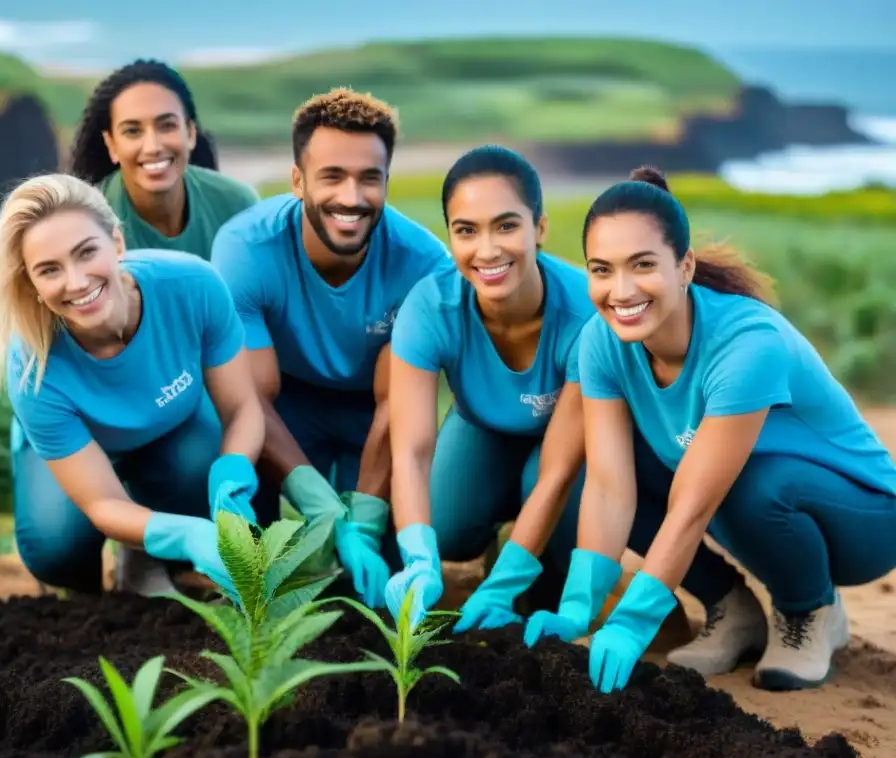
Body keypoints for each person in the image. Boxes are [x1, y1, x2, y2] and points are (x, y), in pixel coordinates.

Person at [524, 165, 896, 693]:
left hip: (865, 520)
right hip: (745, 507)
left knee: (754, 484)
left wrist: (635, 620)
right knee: (602, 466)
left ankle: (812, 612)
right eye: (601, 270)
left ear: (685, 267)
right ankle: (731, 608)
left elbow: (696, 504)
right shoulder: (601, 342)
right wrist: (579, 609)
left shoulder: (747, 344)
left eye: (642, 265)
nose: (620, 290)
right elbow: (609, 488)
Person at [208, 87, 451, 609]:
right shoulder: (246, 248)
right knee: (260, 544)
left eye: (370, 178)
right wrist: (320, 507)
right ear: (298, 181)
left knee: (394, 553)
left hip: (374, 409)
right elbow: (253, 400)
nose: (352, 197)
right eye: (332, 176)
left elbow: (400, 403)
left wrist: (361, 519)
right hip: (286, 404)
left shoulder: (423, 263)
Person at [0, 172, 265, 599]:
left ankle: (148, 552)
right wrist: (189, 536)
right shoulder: (32, 365)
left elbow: (243, 409)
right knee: (55, 545)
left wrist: (233, 471)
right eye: (49, 270)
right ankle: (89, 598)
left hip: (171, 433)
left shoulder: (193, 286)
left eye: (86, 252)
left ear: (117, 243)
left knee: (202, 464)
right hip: (78, 453)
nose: (76, 282)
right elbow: (100, 503)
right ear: (32, 286)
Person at [385, 145, 595, 629]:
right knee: (444, 532)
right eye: (466, 231)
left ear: (539, 229)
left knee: (561, 522)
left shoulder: (585, 314)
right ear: (451, 238)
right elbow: (411, 451)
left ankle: (531, 566)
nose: (487, 250)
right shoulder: (430, 308)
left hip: (568, 451)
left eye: (506, 226)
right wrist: (417, 554)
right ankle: (489, 544)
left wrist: (504, 583)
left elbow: (558, 471)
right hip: (482, 429)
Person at [68, 58, 258, 259]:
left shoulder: (237, 205)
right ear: (112, 144)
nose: (153, 147)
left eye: (167, 126)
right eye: (132, 131)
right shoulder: (86, 224)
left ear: (190, 133)